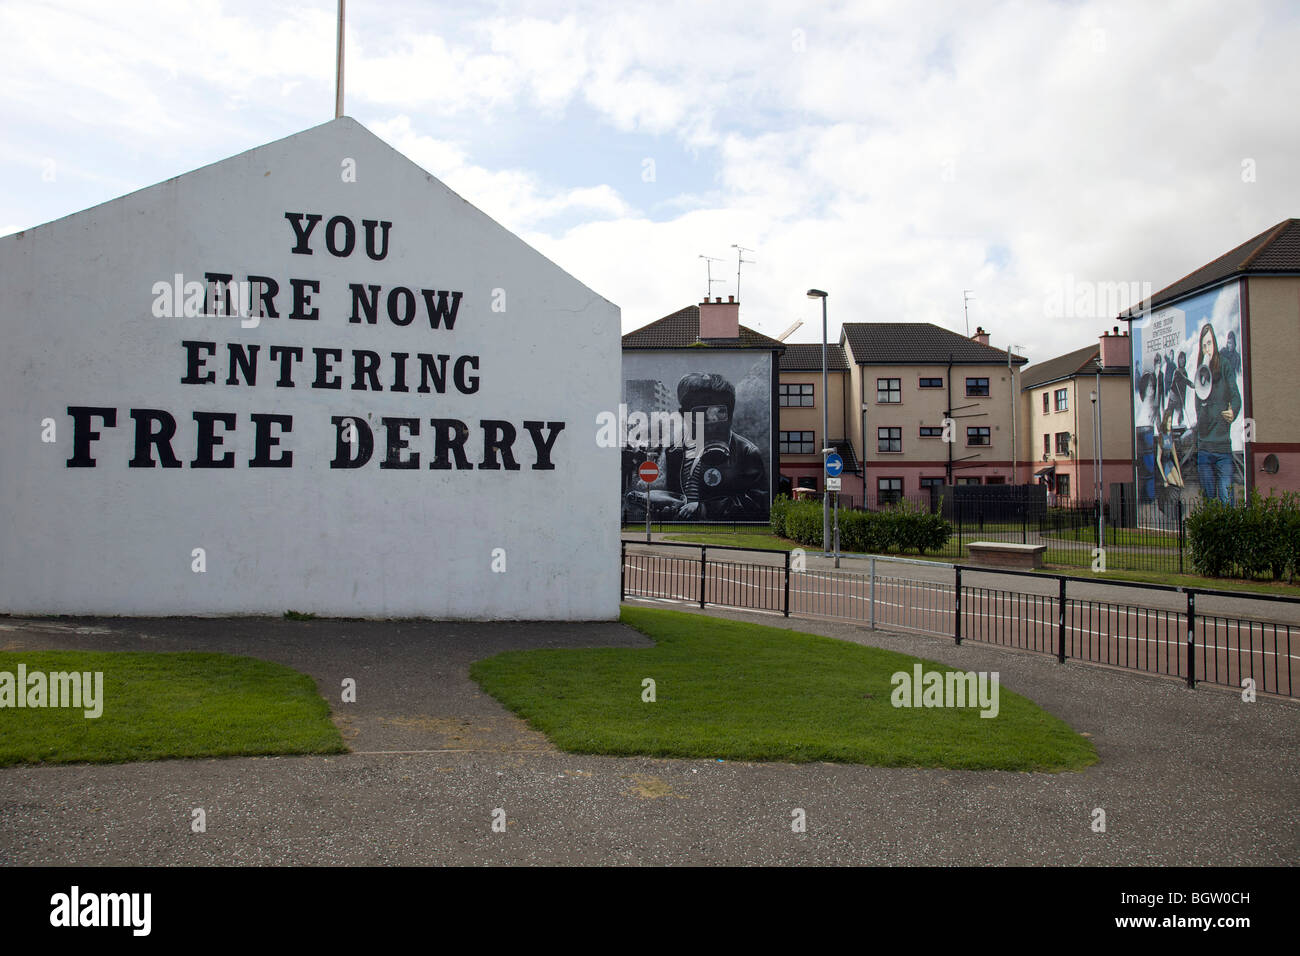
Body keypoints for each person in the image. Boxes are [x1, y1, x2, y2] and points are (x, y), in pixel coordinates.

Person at [664, 372, 767, 519]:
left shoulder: (746, 452)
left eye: (720, 412)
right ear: (684, 415)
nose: (712, 423)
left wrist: (706, 509)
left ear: (730, 415)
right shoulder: (675, 452)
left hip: (726, 535)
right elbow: (674, 496)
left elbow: (758, 503)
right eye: (700, 413)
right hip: (681, 532)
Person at [1192, 324, 1241, 504]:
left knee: (1227, 498)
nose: (1207, 349)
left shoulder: (1225, 366)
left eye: (1210, 344)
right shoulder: (1200, 373)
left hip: (1222, 447)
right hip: (1205, 448)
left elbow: (1236, 396)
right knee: (1209, 498)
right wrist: (1203, 386)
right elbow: (1199, 413)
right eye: (1204, 346)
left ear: (1215, 343)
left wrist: (1233, 411)